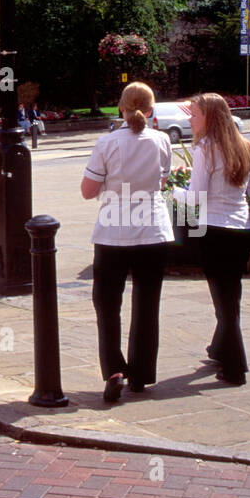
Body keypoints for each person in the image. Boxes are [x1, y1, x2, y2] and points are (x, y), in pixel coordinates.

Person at [81, 82, 173, 403]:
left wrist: (110, 182)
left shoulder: (107, 143)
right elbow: (161, 181)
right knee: (147, 304)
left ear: (120, 107)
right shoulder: (162, 140)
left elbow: (88, 190)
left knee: (107, 305)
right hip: (152, 230)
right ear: (150, 109)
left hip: (113, 232)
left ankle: (114, 370)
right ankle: (142, 375)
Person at [181, 93, 250, 387]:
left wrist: (169, 193)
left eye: (195, 114)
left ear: (209, 118)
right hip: (242, 228)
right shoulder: (244, 146)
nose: (190, 119)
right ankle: (219, 348)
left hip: (215, 229)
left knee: (223, 301)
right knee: (231, 295)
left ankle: (235, 367)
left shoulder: (206, 149)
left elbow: (195, 196)